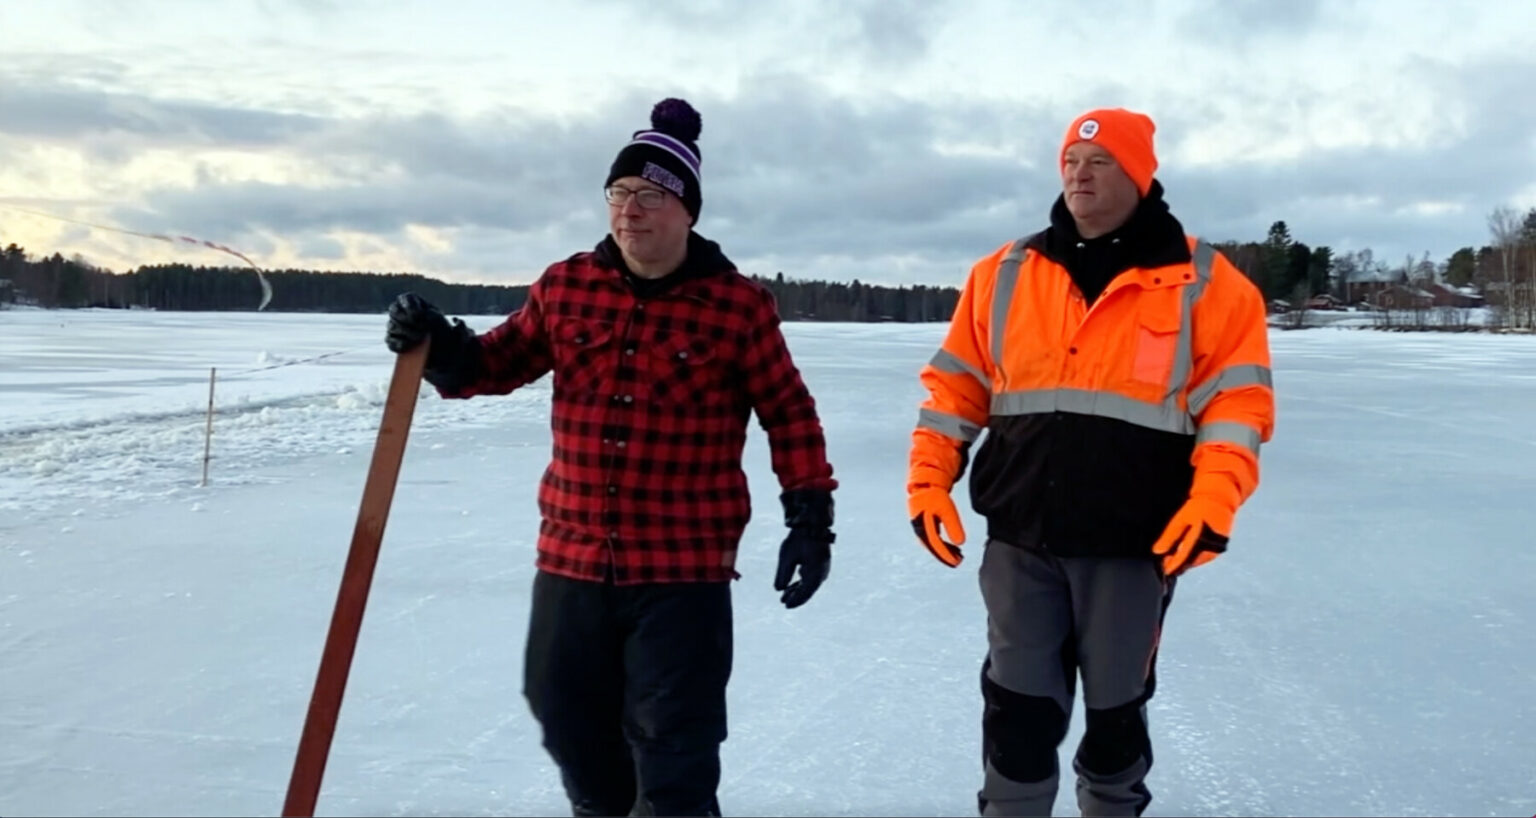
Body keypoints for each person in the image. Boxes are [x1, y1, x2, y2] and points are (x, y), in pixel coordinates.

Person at [384, 98, 838, 817]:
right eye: (620, 195)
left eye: (651, 196)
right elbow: (494, 365)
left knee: (675, 747)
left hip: (681, 571)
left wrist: (809, 515)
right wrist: (441, 346)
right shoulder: (567, 287)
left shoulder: (736, 306)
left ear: (687, 210)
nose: (630, 211)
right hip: (573, 559)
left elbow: (788, 412)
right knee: (562, 714)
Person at [907, 108, 1275, 816]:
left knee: (1115, 728)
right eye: (1071, 162)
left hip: (1133, 548)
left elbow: (1237, 409)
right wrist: (929, 481)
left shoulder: (1207, 283)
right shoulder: (1003, 274)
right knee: (1017, 721)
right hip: (1020, 541)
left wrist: (1213, 501)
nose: (1079, 173)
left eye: (1100, 161)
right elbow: (954, 388)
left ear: (1139, 175)